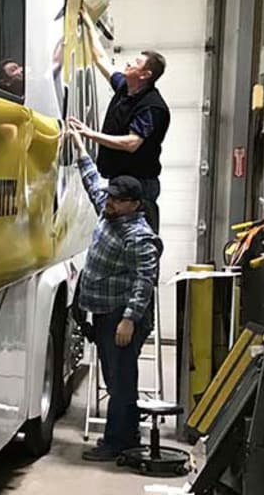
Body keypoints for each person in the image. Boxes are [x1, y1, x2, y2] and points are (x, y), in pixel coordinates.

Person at [66, 124, 160, 462]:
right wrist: (78, 143)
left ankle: (116, 442)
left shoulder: (138, 235)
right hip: (105, 313)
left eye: (117, 200)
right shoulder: (110, 215)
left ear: (133, 204)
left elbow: (144, 279)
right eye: (110, 196)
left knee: (120, 381)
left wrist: (129, 321)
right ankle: (127, 434)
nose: (109, 201)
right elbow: (92, 180)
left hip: (121, 318)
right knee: (115, 376)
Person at [70, 42, 169, 232]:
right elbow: (100, 59)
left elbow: (132, 143)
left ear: (145, 74)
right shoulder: (125, 88)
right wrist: (87, 21)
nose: (129, 63)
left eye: (136, 63)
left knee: (135, 241)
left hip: (139, 186)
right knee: (113, 237)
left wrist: (90, 134)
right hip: (120, 182)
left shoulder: (151, 106)